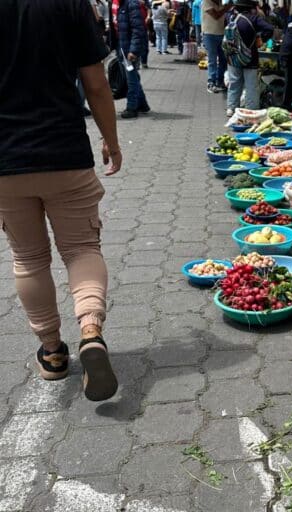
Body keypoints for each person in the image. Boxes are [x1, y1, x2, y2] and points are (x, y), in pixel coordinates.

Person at [1, 0, 121, 402]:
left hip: (4, 161)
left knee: (28, 258)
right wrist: (111, 140)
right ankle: (90, 330)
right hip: (64, 150)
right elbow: (96, 82)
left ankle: (52, 353)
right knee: (82, 248)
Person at [224, 0, 274, 116]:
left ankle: (231, 108)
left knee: (234, 83)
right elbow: (270, 28)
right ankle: (250, 110)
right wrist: (262, 38)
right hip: (250, 57)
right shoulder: (254, 19)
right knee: (251, 85)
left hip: (233, 56)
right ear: (251, 8)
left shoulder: (230, 17)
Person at [115, 0, 151, 118]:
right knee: (133, 76)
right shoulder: (122, 5)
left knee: (131, 78)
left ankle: (132, 107)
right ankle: (142, 104)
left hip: (129, 50)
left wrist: (133, 50)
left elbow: (137, 29)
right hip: (123, 49)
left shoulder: (131, 4)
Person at [202, 0, 229, 93]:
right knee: (212, 60)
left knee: (223, 59)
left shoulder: (221, 3)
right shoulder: (206, 2)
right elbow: (216, 16)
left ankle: (220, 81)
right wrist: (227, 8)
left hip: (221, 34)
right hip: (209, 34)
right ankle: (211, 83)